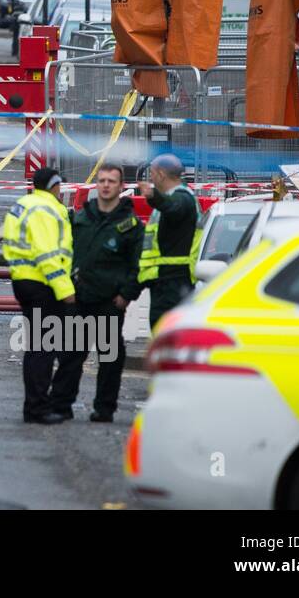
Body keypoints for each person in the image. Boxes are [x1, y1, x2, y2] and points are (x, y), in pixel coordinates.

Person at [2, 167, 80, 424]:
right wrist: (66, 291)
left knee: (36, 347)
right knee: (43, 349)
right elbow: (47, 255)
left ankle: (33, 405)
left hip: (22, 280)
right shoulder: (47, 210)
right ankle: (36, 407)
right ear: (55, 186)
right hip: (42, 284)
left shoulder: (23, 204)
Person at [67, 164, 143, 423]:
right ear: (96, 184)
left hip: (110, 302)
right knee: (71, 354)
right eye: (102, 180)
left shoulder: (129, 224)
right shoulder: (82, 218)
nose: (106, 185)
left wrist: (126, 296)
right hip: (80, 297)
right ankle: (61, 404)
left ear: (121, 187)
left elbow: (138, 265)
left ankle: (104, 408)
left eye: (112, 181)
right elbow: (68, 253)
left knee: (110, 359)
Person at [135, 153, 202, 330]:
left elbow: (173, 208)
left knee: (165, 334)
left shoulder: (182, 198)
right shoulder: (179, 197)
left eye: (152, 174)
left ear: (161, 174)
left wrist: (153, 196)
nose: (151, 178)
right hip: (166, 280)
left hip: (174, 283)